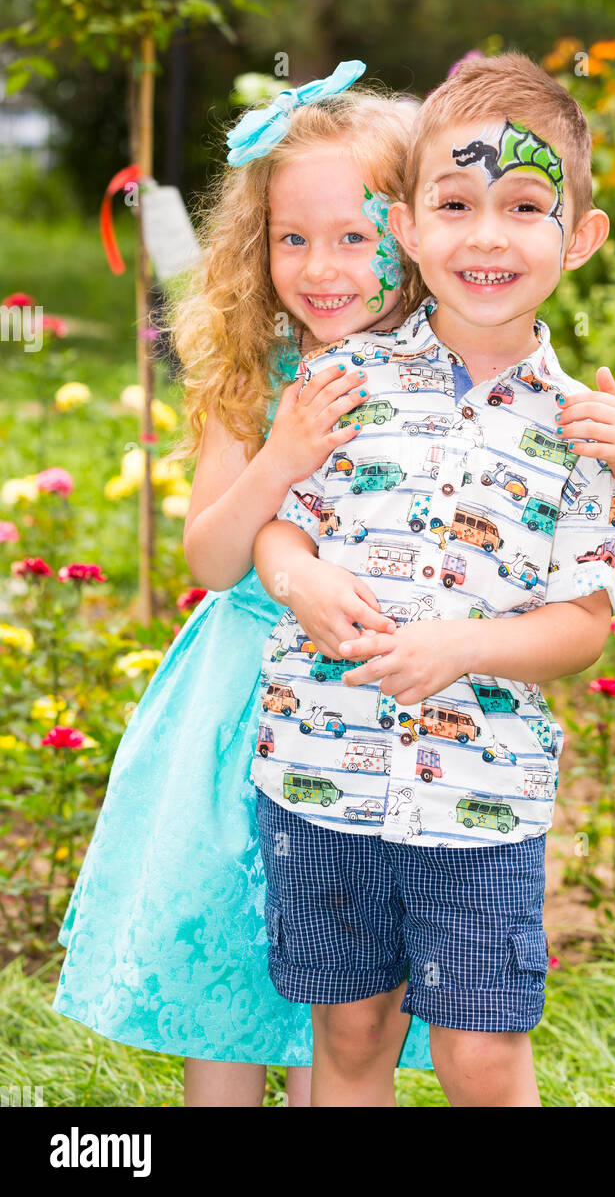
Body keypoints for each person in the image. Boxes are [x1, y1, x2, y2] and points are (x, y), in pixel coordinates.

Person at [251, 50, 615, 1106]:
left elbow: (583, 622)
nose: (484, 235)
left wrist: (461, 648)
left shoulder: (586, 431)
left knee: (480, 1051)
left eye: (525, 206)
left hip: (481, 799)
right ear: (408, 226)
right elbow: (277, 534)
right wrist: (298, 584)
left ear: (580, 236)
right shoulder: (340, 383)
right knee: (347, 1033)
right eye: (456, 203)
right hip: (317, 775)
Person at [51, 63, 436, 1107]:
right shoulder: (251, 374)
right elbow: (211, 557)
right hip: (240, 703)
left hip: (375, 715)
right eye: (291, 238)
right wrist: (282, 454)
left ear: (414, 233)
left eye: (354, 237)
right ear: (254, 248)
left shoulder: (444, 374)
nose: (320, 267)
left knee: (349, 1007)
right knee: (226, 966)